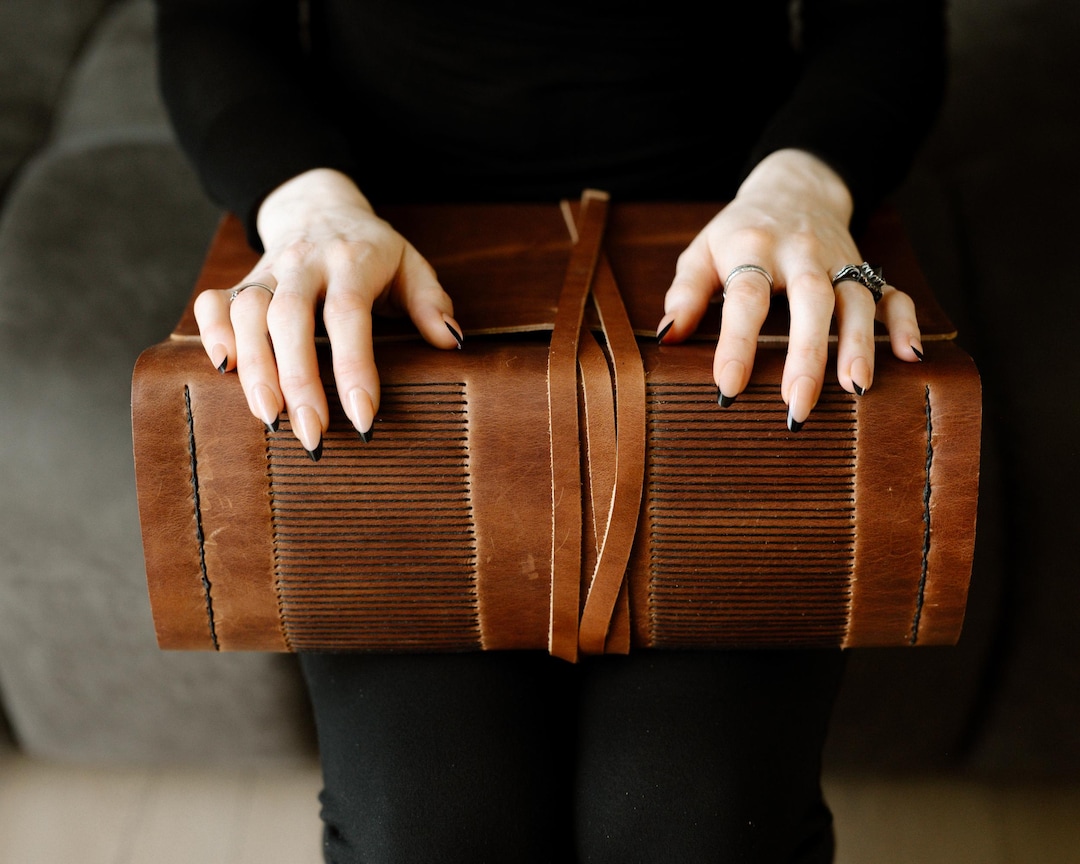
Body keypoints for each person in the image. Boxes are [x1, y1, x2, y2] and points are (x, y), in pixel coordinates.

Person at [154, 2, 947, 861]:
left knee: (696, 829)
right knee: (428, 832)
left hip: (743, 243)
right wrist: (306, 202)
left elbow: (882, 18)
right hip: (374, 251)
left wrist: (805, 187)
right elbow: (216, 20)